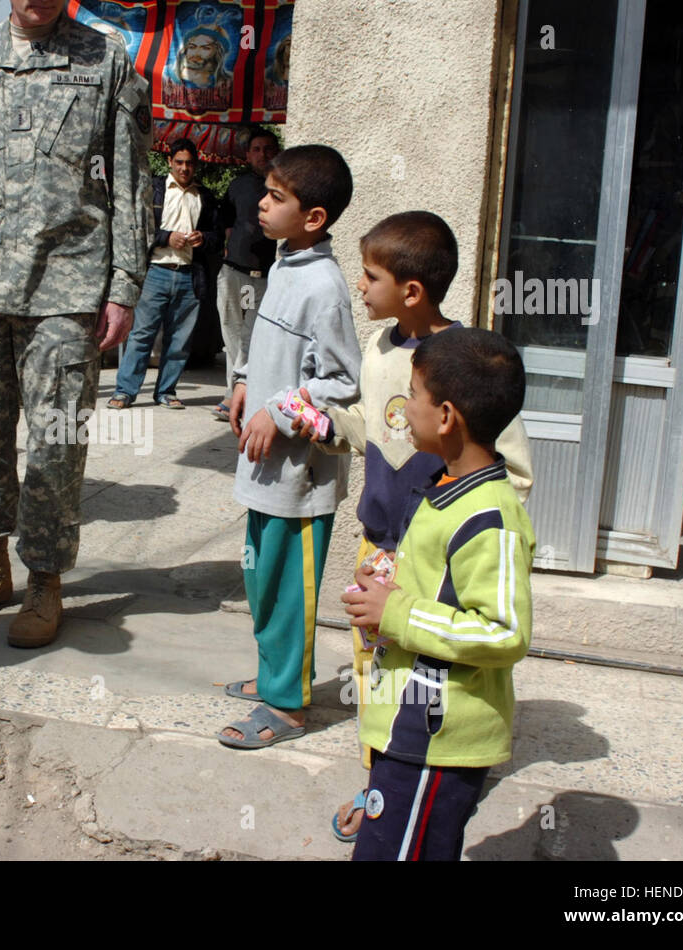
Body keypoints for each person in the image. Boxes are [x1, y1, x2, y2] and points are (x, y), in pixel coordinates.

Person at [0, 0, 152, 648]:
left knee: (56, 441)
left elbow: (131, 181)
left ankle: (45, 577)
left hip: (69, 287)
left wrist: (124, 285)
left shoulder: (107, 61)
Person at [288, 211, 533, 842]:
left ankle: (409, 798)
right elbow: (375, 432)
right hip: (382, 549)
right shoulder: (378, 351)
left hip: (432, 565)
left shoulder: (464, 366)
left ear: (412, 290)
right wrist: (326, 426)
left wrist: (455, 543)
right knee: (378, 676)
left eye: (370, 276)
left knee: (418, 674)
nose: (360, 288)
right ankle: (384, 789)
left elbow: (515, 476)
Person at [340, 328, 535, 861]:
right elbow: (437, 588)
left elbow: (505, 632)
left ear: (446, 416)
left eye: (414, 396)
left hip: (435, 739)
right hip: (404, 730)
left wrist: (396, 611)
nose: (404, 410)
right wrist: (388, 586)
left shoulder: (491, 519)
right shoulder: (445, 488)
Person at [215, 145, 360, 749]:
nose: (263, 204)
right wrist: (246, 380)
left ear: (314, 218)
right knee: (259, 578)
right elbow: (260, 341)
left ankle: (289, 706)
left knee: (287, 587)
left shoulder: (325, 287)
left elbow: (343, 382)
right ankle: (276, 676)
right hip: (264, 469)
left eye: (277, 197)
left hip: (300, 480)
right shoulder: (283, 265)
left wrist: (279, 410)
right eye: (265, 192)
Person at [107, 138, 221, 411]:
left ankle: (166, 392)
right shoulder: (155, 191)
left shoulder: (204, 197)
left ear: (196, 166)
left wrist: (202, 238)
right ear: (170, 162)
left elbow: (218, 238)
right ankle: (125, 392)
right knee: (141, 335)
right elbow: (138, 229)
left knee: (180, 340)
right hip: (156, 273)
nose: (184, 168)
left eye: (190, 164)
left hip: (189, 276)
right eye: (179, 162)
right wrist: (166, 238)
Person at [212, 128, 279, 421]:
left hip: (258, 278)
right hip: (232, 274)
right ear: (248, 154)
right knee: (231, 334)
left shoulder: (282, 186)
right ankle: (235, 391)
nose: (262, 154)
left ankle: (234, 395)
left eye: (267, 148)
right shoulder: (238, 185)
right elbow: (223, 218)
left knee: (249, 335)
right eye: (256, 149)